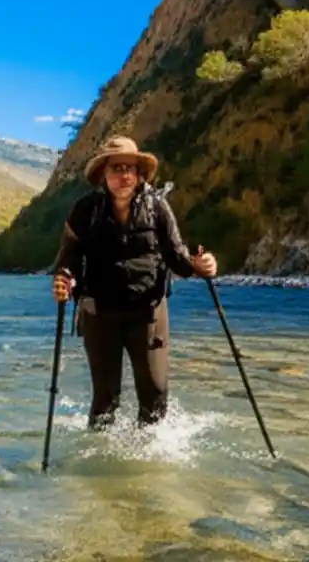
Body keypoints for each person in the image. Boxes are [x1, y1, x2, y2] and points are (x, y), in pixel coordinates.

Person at [50, 135, 217, 430]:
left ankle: (149, 464)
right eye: (116, 168)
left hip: (149, 312)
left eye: (130, 168)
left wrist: (203, 266)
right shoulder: (85, 210)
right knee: (105, 398)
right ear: (104, 174)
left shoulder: (158, 208)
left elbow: (178, 258)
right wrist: (64, 281)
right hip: (100, 313)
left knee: (155, 393)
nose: (124, 175)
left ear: (139, 174)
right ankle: (98, 463)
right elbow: (69, 259)